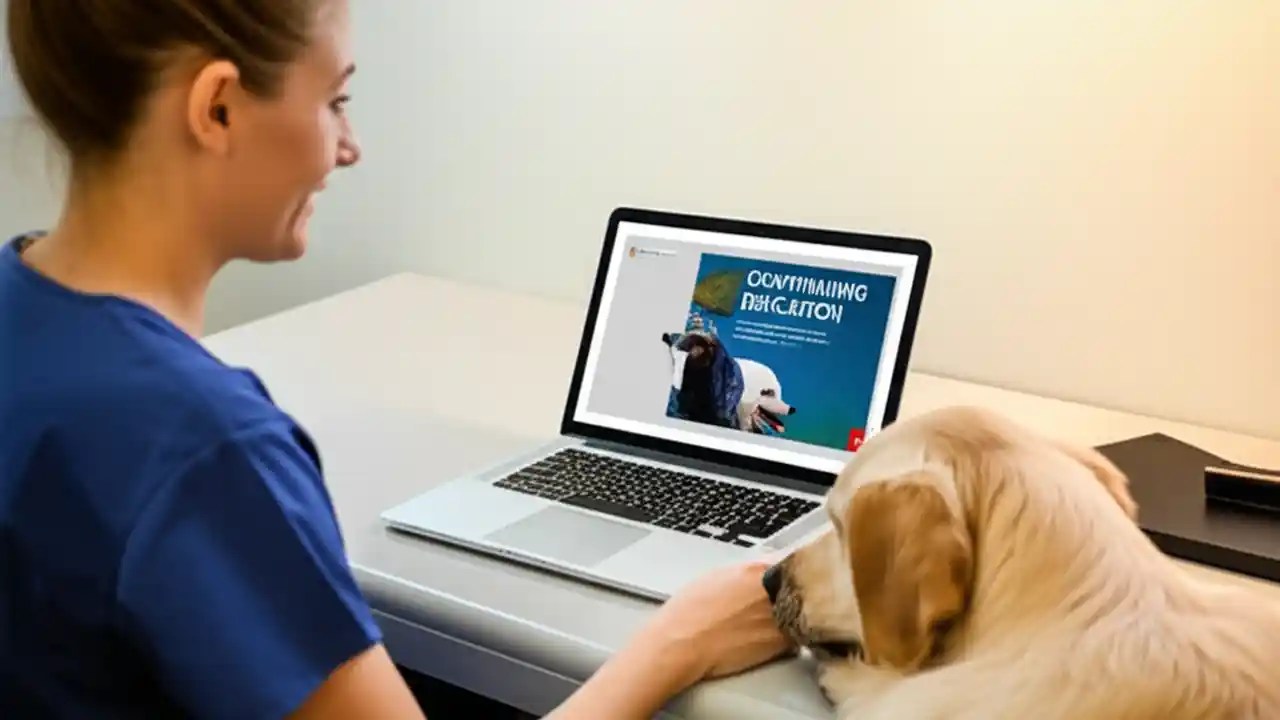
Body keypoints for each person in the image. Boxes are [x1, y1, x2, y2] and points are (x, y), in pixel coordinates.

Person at [0, 1, 791, 718]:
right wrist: (678, 641)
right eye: (335, 101)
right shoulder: (207, 451)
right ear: (217, 107)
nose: (349, 148)